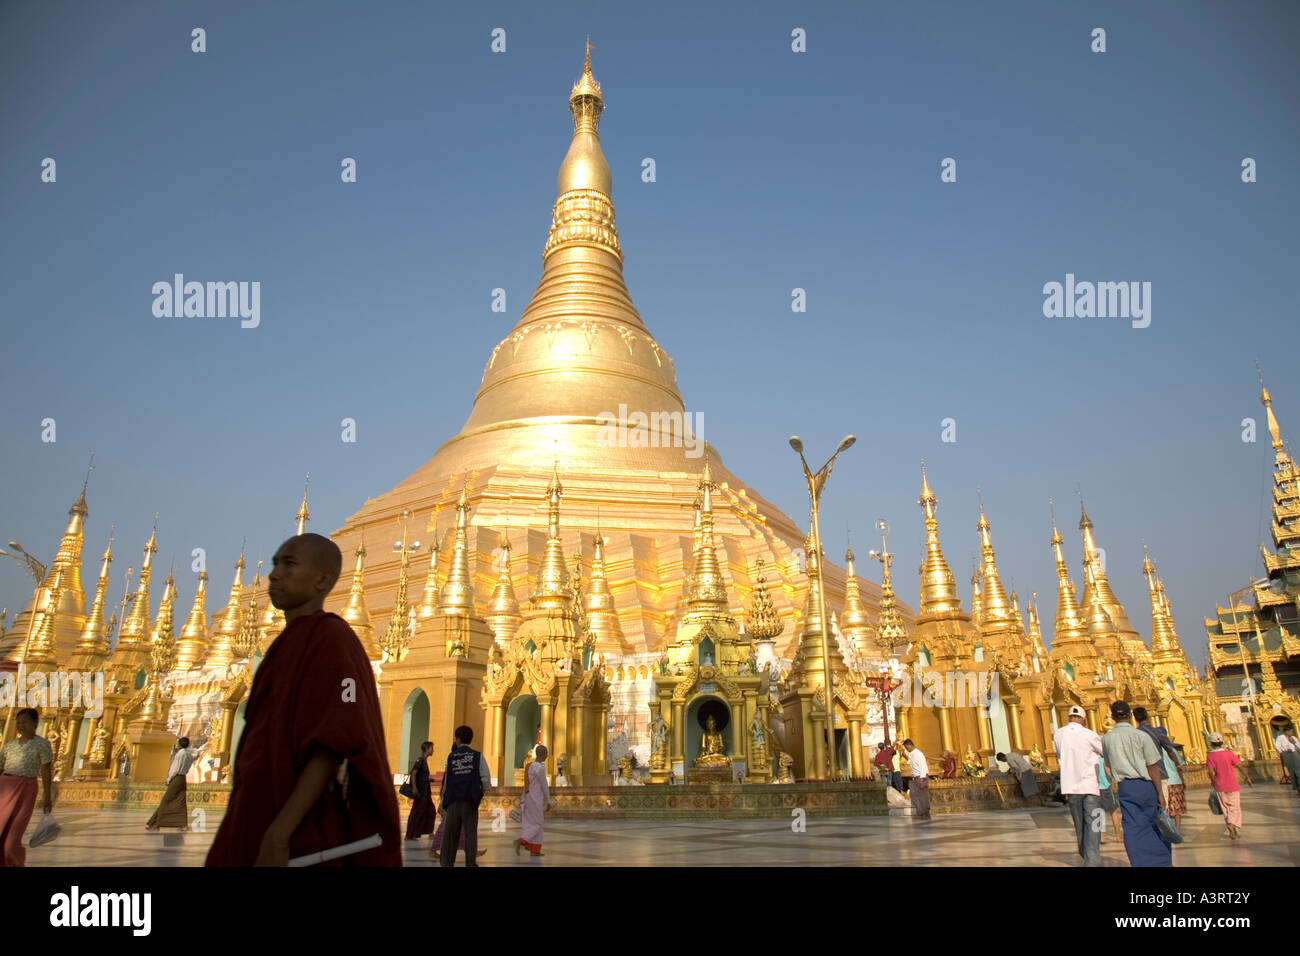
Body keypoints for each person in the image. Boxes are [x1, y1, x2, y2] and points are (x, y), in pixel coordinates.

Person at [205, 534, 400, 866]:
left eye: (290, 564)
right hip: (252, 815)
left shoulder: (333, 640)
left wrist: (281, 831)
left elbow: (332, 742)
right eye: (276, 564)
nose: (275, 574)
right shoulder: (282, 647)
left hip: (300, 826)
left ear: (322, 579)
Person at [1101, 700, 1169, 867]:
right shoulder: (1141, 736)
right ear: (1130, 715)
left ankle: (1138, 862)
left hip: (1126, 787)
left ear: (1112, 716)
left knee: (1132, 827)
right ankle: (1161, 861)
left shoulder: (1107, 739)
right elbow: (1152, 767)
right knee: (1152, 822)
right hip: (1146, 785)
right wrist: (1160, 792)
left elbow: (1108, 764)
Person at [0, 707, 54, 867]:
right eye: (19, 722)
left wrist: (47, 797)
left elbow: (45, 771)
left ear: (35, 723)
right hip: (4, 789)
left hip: (26, 788)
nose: (21, 725)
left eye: (25, 722)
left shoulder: (42, 744)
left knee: (12, 841)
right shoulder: (9, 746)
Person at [1051, 704, 1104, 867]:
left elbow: (1059, 753)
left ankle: (1086, 854)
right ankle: (1093, 859)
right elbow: (1103, 751)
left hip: (1071, 786)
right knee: (1094, 822)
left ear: (1069, 717)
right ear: (1083, 718)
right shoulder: (1090, 734)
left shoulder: (1058, 734)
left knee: (1079, 823)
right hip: (1090, 785)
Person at [438, 724, 491, 867]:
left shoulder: (451, 757)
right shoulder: (477, 756)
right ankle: (470, 862)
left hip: (453, 800)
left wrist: (442, 802)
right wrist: (480, 795)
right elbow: (486, 778)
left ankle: (447, 862)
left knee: (450, 834)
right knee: (470, 833)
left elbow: (447, 781)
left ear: (458, 739)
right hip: (470, 800)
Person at [146, 735, 206, 831]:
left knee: (165, 801)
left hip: (176, 778)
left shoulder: (180, 754)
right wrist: (188, 748)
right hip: (183, 779)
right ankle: (183, 825)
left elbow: (175, 769)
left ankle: (155, 823)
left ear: (179, 744)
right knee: (180, 802)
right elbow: (197, 753)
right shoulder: (188, 755)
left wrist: (169, 779)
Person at [1206, 732, 1253, 840]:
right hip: (1232, 784)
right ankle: (1231, 825)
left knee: (1226, 809)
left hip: (1219, 785)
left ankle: (1233, 832)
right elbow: (1239, 766)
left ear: (1211, 744)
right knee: (1234, 808)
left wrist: (1213, 782)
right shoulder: (1229, 754)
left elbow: (1210, 771)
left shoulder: (1210, 756)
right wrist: (1247, 777)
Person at [1133, 707, 1180, 804]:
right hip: (1160, 773)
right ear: (1147, 716)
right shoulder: (1157, 732)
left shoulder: (1134, 735)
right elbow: (1170, 750)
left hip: (1141, 776)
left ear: (1135, 718)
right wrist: (1177, 764)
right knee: (1162, 808)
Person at [517, 743, 553, 857]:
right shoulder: (540, 768)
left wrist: (523, 798)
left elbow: (525, 785)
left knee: (533, 823)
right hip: (536, 799)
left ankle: (535, 850)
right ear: (544, 755)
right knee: (538, 823)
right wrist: (548, 801)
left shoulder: (529, 766)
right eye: (546, 754)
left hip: (528, 798)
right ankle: (522, 840)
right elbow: (544, 785)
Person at [1156, 727, 1186, 832]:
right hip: (1176, 781)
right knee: (1177, 808)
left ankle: (1169, 829)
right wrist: (1183, 780)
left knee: (1166, 807)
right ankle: (1177, 829)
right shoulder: (1171, 749)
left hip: (1163, 781)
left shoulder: (1156, 750)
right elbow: (1180, 766)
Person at [405, 742, 435, 841]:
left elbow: (422, 776)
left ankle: (429, 832)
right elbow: (413, 773)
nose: (433, 750)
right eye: (431, 748)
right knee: (416, 812)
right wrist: (414, 788)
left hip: (426, 792)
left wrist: (428, 779)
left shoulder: (424, 761)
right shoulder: (420, 760)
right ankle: (409, 834)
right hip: (421, 792)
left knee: (430, 811)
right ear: (427, 749)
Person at [1096, 758, 1122, 845]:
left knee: (1099, 812)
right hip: (1107, 787)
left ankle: (1102, 837)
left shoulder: (1093, 759)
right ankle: (1118, 836)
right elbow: (1108, 772)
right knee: (1113, 811)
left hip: (1096, 788)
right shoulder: (1104, 759)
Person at [902, 739, 930, 821]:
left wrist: (922, 779)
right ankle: (921, 811)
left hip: (920, 777)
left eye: (906, 747)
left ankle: (924, 812)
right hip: (915, 777)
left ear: (910, 745)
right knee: (914, 795)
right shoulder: (911, 754)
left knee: (922, 795)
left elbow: (923, 767)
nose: (906, 749)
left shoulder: (918, 754)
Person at [1275, 726, 1300, 795]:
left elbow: (1298, 746)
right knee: (1292, 773)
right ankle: (1297, 789)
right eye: (1291, 731)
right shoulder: (1280, 738)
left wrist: (1294, 743)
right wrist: (1282, 751)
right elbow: (1277, 746)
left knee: (1298, 772)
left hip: (1295, 755)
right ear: (1286, 732)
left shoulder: (1294, 738)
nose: (1292, 732)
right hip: (1287, 755)